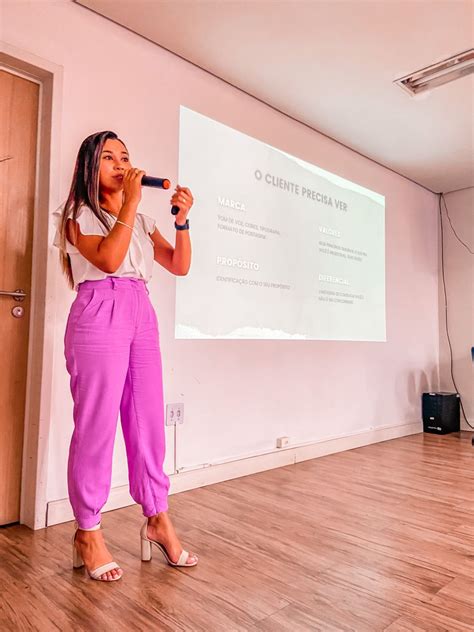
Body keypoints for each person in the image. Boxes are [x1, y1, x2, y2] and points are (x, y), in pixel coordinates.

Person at [52, 130, 198, 582]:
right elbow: (110, 260)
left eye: (125, 157)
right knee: (96, 424)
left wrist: (181, 221)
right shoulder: (75, 215)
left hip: (140, 310)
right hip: (99, 308)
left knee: (147, 421)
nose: (121, 164)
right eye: (109, 157)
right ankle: (88, 530)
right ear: (89, 166)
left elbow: (179, 265)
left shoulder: (144, 220)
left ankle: (157, 517)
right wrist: (131, 203)